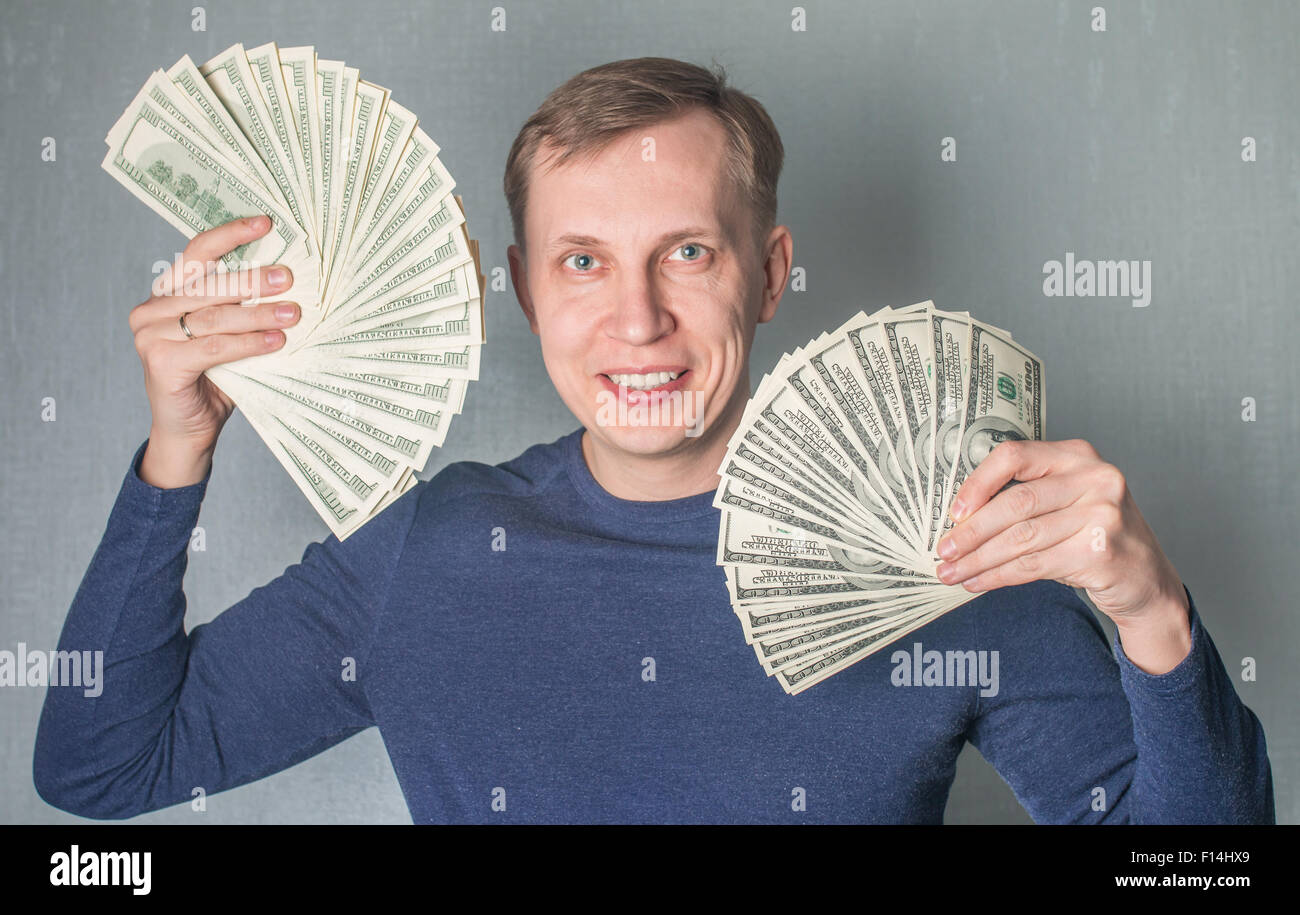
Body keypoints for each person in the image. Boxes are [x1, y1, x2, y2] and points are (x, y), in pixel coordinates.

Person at [33, 57, 1273, 824]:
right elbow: (101, 768)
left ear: (771, 272)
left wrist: (1152, 616)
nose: (637, 320)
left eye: (687, 251)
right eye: (584, 262)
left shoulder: (946, 547)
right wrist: (175, 451)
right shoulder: (428, 553)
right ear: (522, 287)